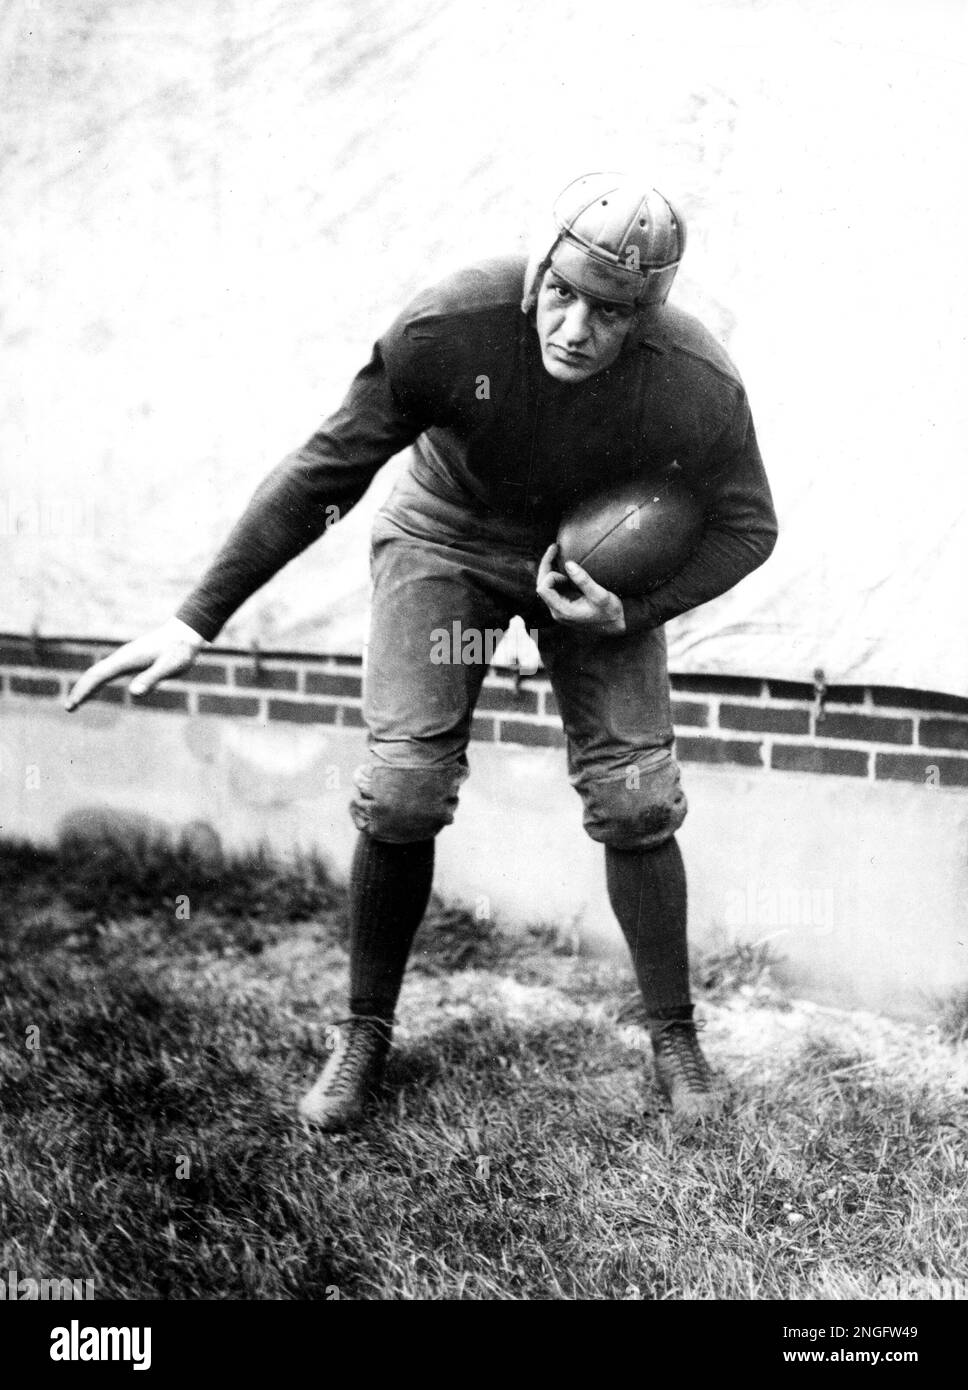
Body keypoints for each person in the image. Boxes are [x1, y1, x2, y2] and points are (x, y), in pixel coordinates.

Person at [66, 172, 778, 1128]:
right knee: (402, 788)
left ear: (646, 319)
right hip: (447, 533)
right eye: (562, 293)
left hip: (594, 565)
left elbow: (749, 526)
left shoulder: (694, 381)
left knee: (636, 795)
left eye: (609, 313)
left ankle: (674, 1036)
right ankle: (364, 1030)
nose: (574, 328)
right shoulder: (452, 326)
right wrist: (196, 619)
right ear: (537, 273)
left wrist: (633, 607)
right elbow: (329, 468)